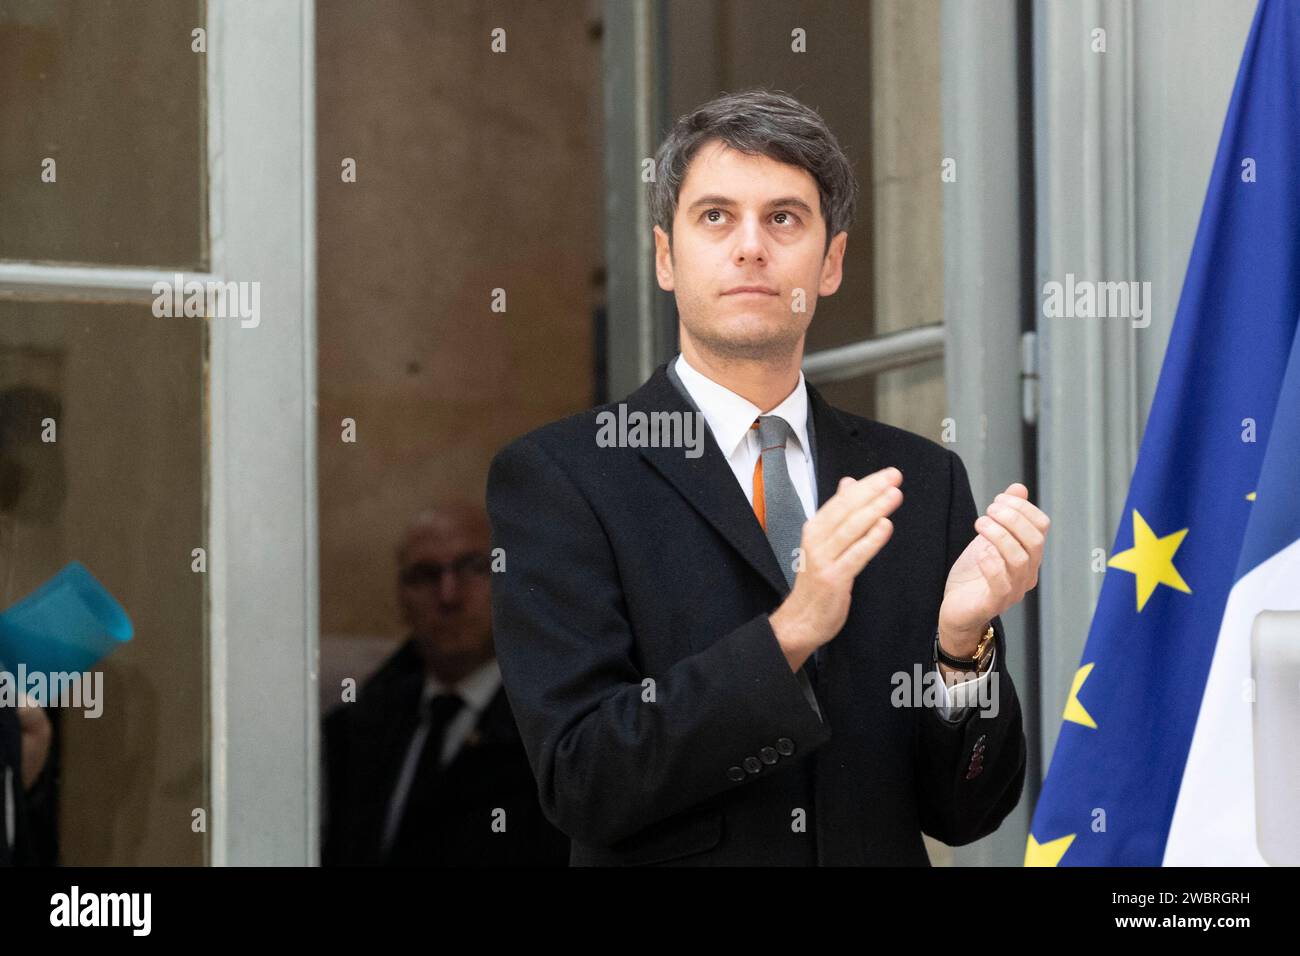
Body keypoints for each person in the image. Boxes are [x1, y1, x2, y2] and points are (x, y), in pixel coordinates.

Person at [486, 89, 1048, 866]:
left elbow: (966, 812)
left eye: (784, 218)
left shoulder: (921, 479)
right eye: (715, 216)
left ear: (831, 263)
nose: (750, 247)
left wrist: (960, 652)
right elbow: (583, 778)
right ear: (664, 256)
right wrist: (791, 632)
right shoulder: (562, 478)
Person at [321, 504, 569, 866]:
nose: (449, 596)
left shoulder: (555, 730)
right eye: (424, 575)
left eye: (473, 567)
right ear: (402, 599)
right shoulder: (353, 732)